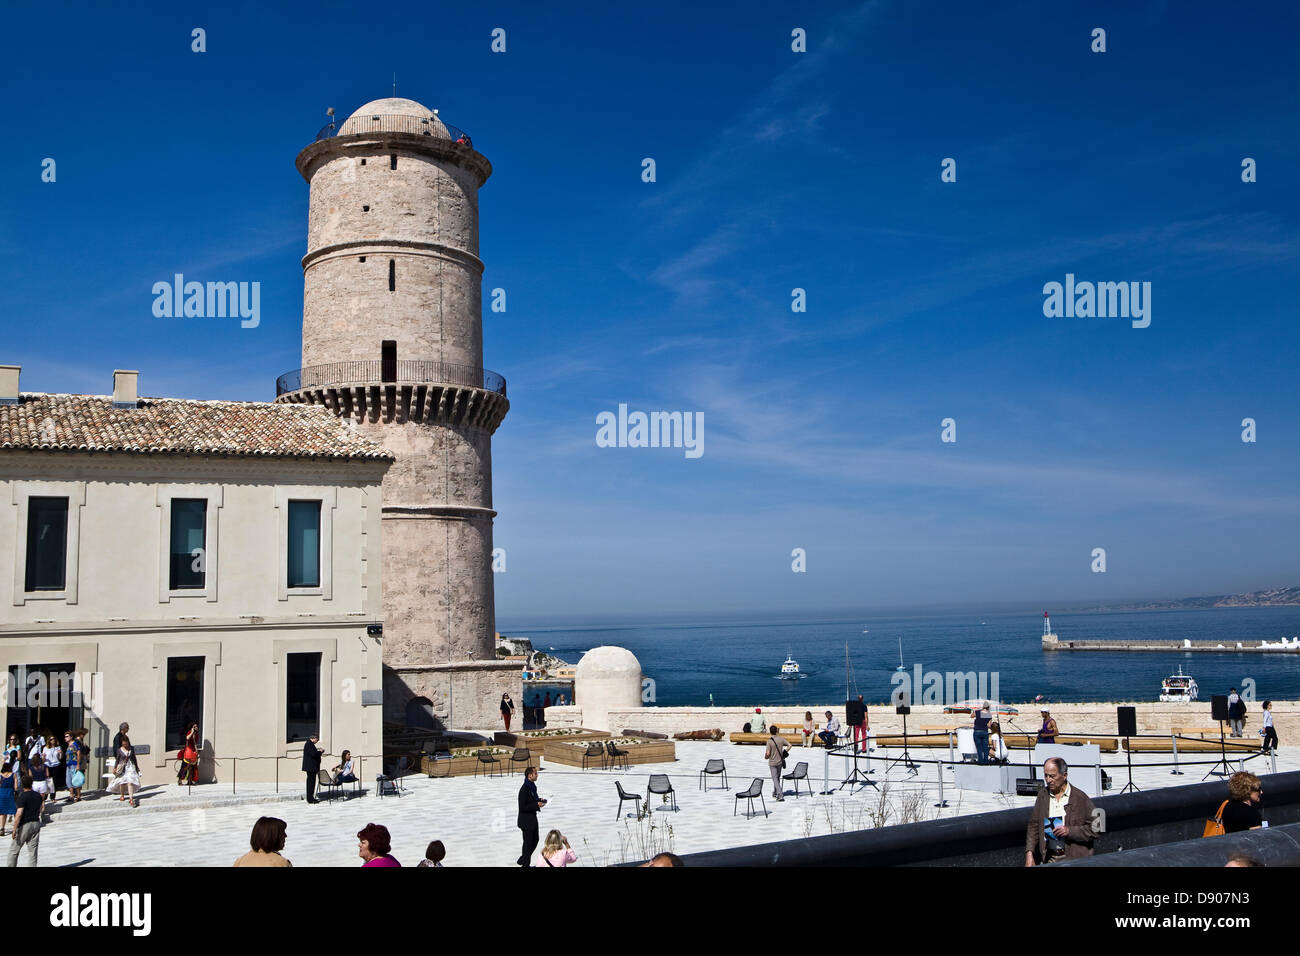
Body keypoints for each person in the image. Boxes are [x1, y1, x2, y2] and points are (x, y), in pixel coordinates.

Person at [1025, 757, 1095, 865]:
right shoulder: (1042, 795)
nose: (1048, 780)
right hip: (1050, 858)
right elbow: (1034, 825)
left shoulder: (1080, 797)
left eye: (1052, 776)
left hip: (1074, 861)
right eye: (1046, 776)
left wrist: (1069, 831)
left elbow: (1098, 827)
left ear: (1064, 775)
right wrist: (1029, 854)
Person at [6, 775, 43, 867]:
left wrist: (14, 829)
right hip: (36, 823)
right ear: (32, 783)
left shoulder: (22, 797)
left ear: (22, 785)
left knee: (14, 850)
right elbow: (41, 809)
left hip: (24, 824)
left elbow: (19, 814)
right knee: (33, 851)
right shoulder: (38, 795)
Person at [516, 765, 545, 866]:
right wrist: (536, 804)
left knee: (535, 840)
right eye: (535, 773)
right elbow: (523, 807)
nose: (537, 775)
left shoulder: (532, 786)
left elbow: (532, 799)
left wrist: (539, 800)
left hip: (532, 819)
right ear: (530, 775)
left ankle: (523, 859)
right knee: (528, 843)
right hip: (526, 821)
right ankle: (525, 863)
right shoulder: (524, 789)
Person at [107, 737, 141, 807]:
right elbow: (117, 760)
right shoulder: (119, 750)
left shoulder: (131, 748)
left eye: (126, 743)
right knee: (122, 783)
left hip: (130, 767)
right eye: (124, 744)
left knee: (130, 782)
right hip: (123, 768)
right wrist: (115, 768)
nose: (125, 745)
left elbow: (134, 758)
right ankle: (122, 795)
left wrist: (137, 767)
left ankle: (131, 799)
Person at [765, 725, 790, 801]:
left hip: (772, 762)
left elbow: (768, 753)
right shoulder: (781, 739)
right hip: (779, 761)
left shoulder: (769, 742)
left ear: (770, 732)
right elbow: (790, 745)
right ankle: (775, 792)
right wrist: (784, 752)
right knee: (777, 777)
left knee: (775, 779)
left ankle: (780, 794)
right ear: (777, 731)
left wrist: (766, 757)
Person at [63, 730, 86, 803]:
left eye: (67, 736)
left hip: (74, 764)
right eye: (65, 736)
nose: (65, 738)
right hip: (68, 764)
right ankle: (71, 795)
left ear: (71, 737)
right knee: (68, 780)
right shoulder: (68, 745)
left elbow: (78, 754)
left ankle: (78, 795)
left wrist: (78, 765)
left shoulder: (75, 744)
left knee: (76, 779)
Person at [302, 733, 322, 804]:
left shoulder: (309, 744)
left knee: (311, 783)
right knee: (311, 783)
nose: (317, 741)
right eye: (317, 739)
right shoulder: (309, 744)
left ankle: (310, 797)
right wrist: (320, 752)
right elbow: (313, 754)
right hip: (311, 768)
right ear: (314, 738)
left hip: (311, 767)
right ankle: (310, 799)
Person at [42, 735, 63, 803]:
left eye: (53, 739)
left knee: (54, 781)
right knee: (47, 781)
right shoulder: (45, 748)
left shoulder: (58, 747)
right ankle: (45, 796)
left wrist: (61, 753)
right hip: (48, 765)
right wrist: (44, 757)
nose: (52, 740)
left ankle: (53, 796)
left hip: (56, 765)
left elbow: (60, 758)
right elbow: (43, 760)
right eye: (51, 739)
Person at [178, 721, 200, 786]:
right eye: (194, 726)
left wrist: (196, 751)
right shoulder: (189, 732)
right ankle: (180, 780)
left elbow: (195, 743)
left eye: (196, 726)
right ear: (192, 728)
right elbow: (187, 738)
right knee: (184, 767)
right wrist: (192, 732)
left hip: (193, 752)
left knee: (193, 767)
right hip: (188, 751)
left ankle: (190, 781)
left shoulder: (196, 735)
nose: (196, 727)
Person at [0, 762, 16, 836]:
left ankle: (2, 828)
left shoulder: (0, 776)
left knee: (2, 812)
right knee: (14, 811)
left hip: (2, 793)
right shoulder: (13, 775)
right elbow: (16, 787)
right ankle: (16, 828)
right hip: (10, 793)